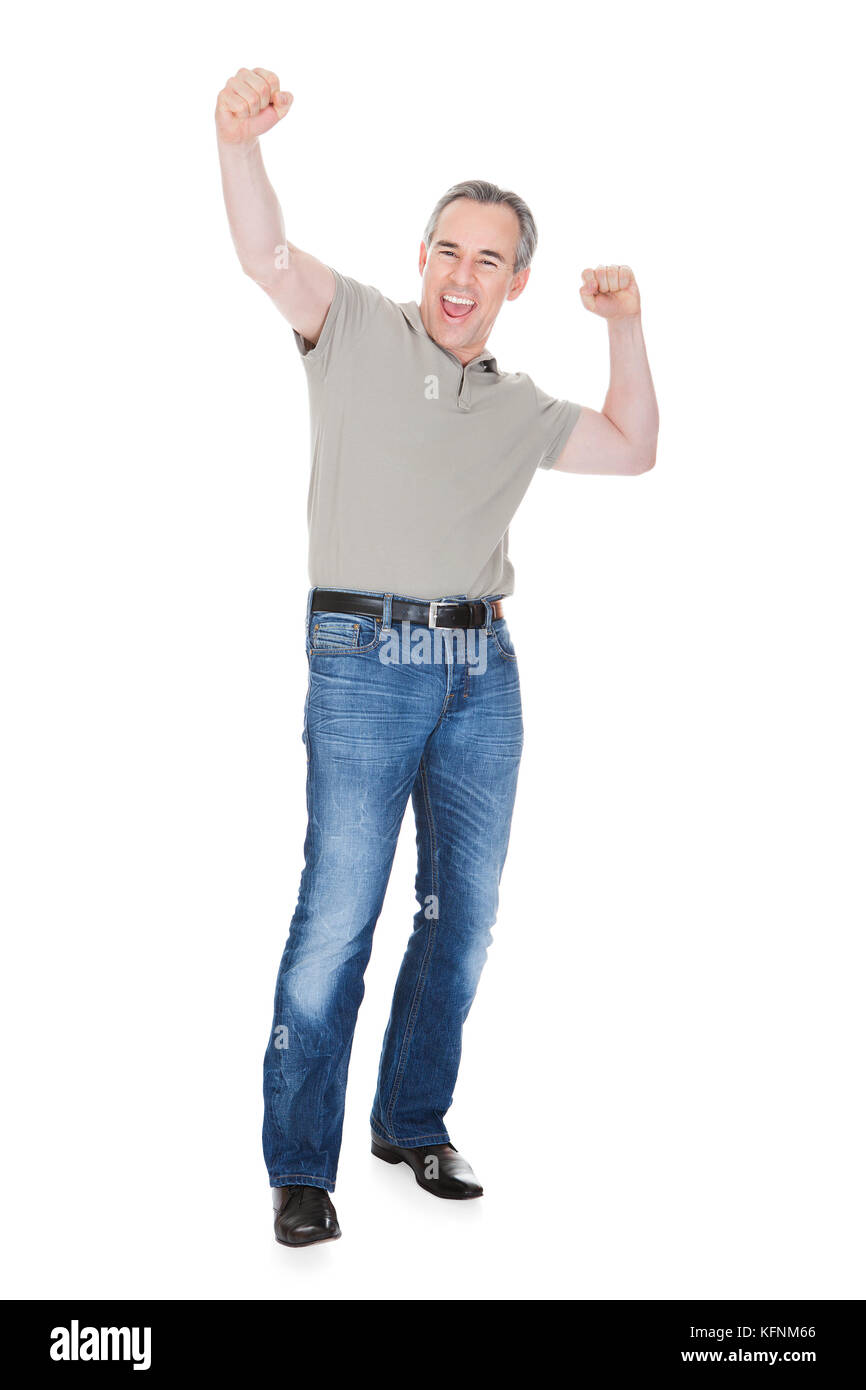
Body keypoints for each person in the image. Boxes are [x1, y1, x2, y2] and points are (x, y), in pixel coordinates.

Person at [215, 66, 659, 1247]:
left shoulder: (516, 404)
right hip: (362, 658)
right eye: (446, 252)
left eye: (488, 261)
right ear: (421, 259)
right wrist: (236, 142)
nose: (463, 276)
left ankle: (411, 1120)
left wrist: (622, 324)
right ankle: (299, 1162)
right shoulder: (353, 326)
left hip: (480, 674)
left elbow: (631, 448)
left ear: (515, 284)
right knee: (337, 914)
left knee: (462, 913)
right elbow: (266, 257)